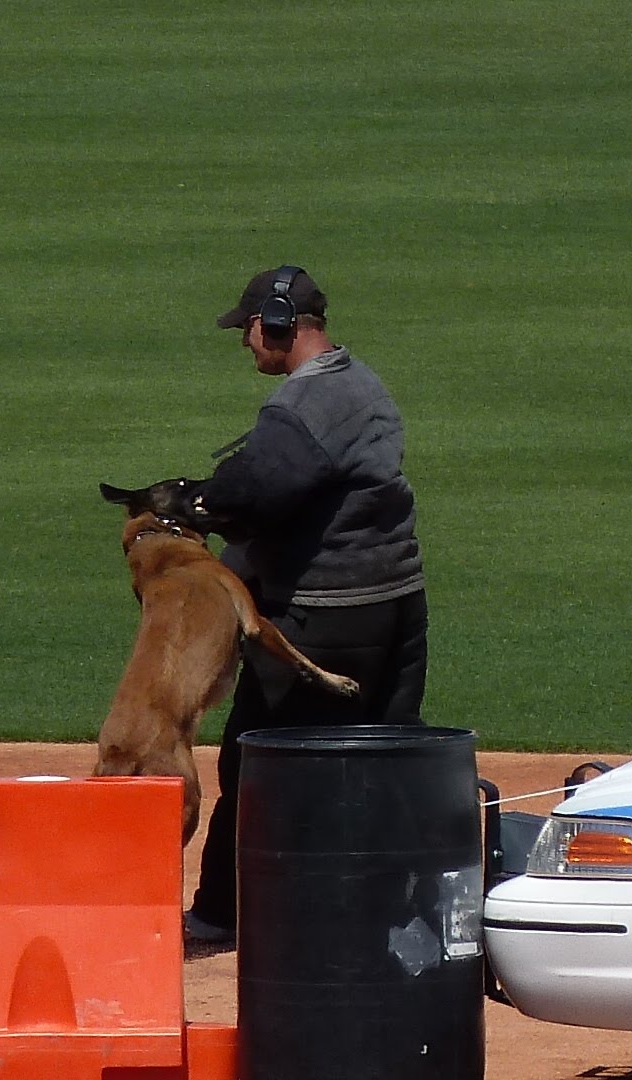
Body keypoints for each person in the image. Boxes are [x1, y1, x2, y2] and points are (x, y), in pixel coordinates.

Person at [177, 265, 429, 945]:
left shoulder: (302, 406)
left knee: (256, 766)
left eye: (249, 328)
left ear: (278, 322)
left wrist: (194, 502)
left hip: (326, 615)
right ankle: (389, 912)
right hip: (399, 606)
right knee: (387, 762)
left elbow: (262, 489)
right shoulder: (364, 382)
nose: (246, 343)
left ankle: (222, 912)